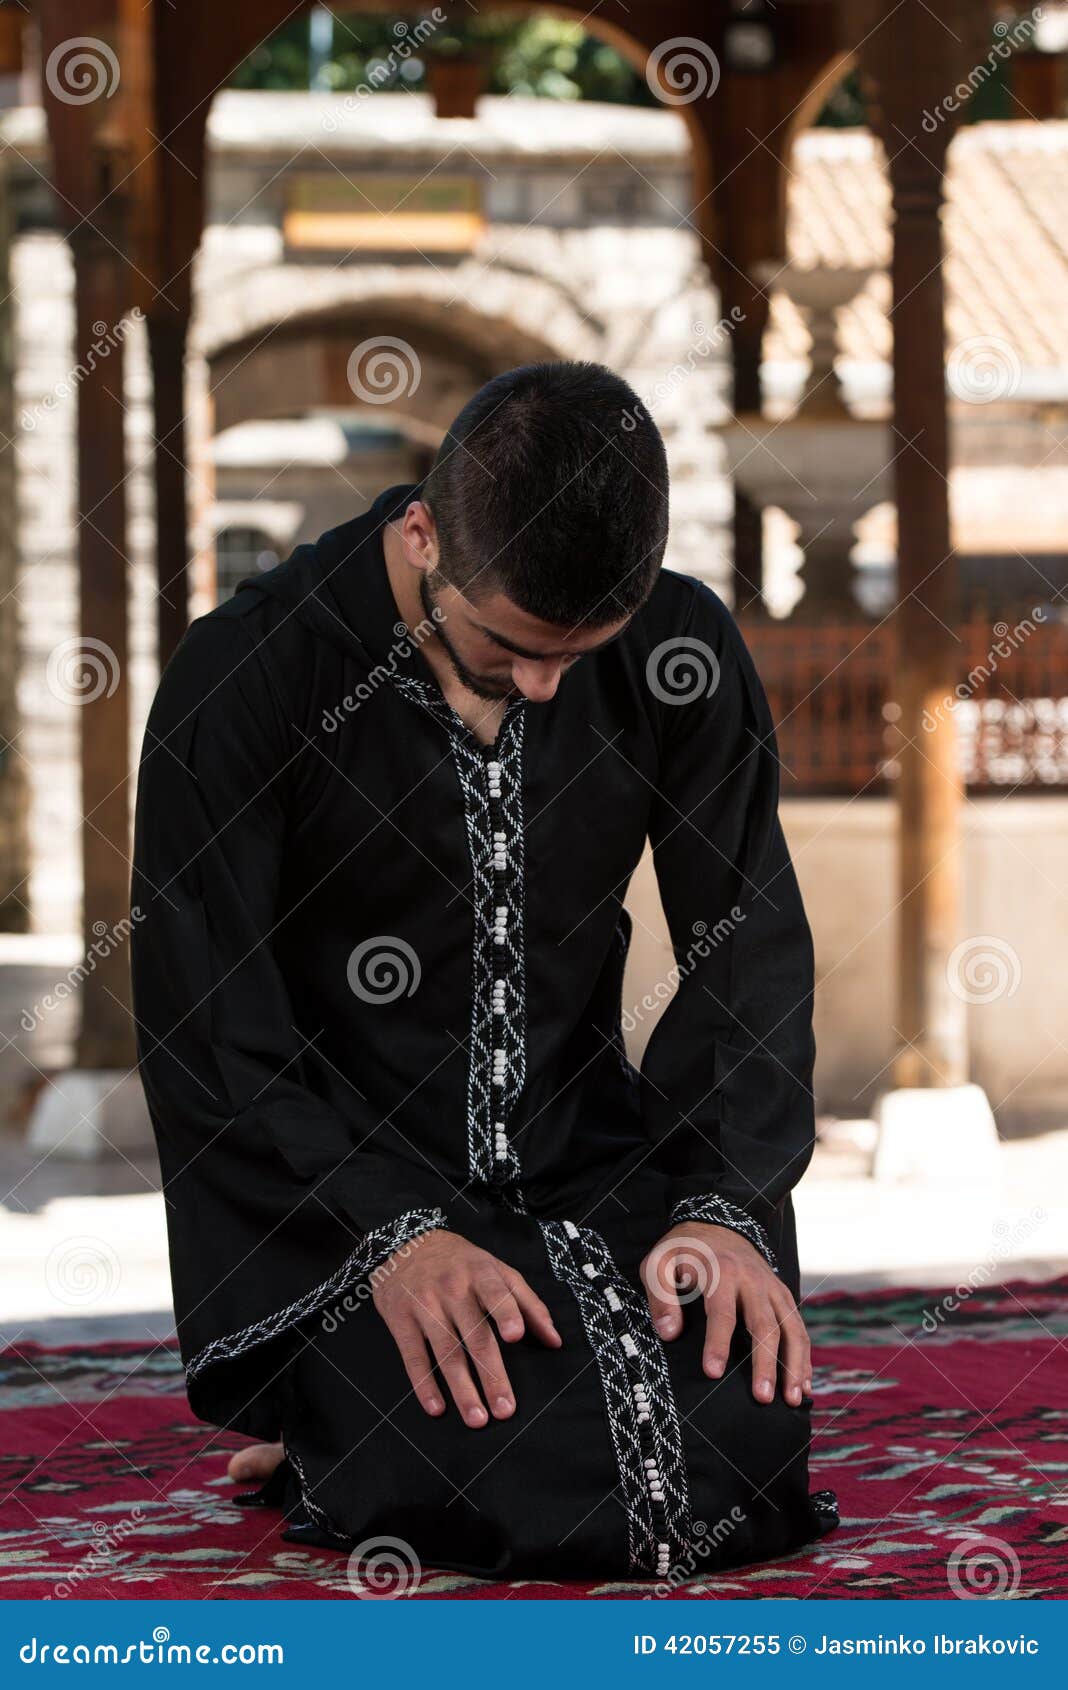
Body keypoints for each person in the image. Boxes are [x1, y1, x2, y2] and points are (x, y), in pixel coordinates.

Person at [131, 360, 837, 1582]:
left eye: (585, 652)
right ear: (421, 535)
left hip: (593, 1176)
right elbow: (210, 1023)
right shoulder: (246, 676)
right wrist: (391, 1236)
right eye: (512, 647)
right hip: (343, 1207)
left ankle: (354, 1431)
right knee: (482, 1454)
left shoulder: (679, 647)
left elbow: (749, 946)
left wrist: (722, 1210)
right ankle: (335, 1409)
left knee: (742, 1431)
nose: (549, 686)